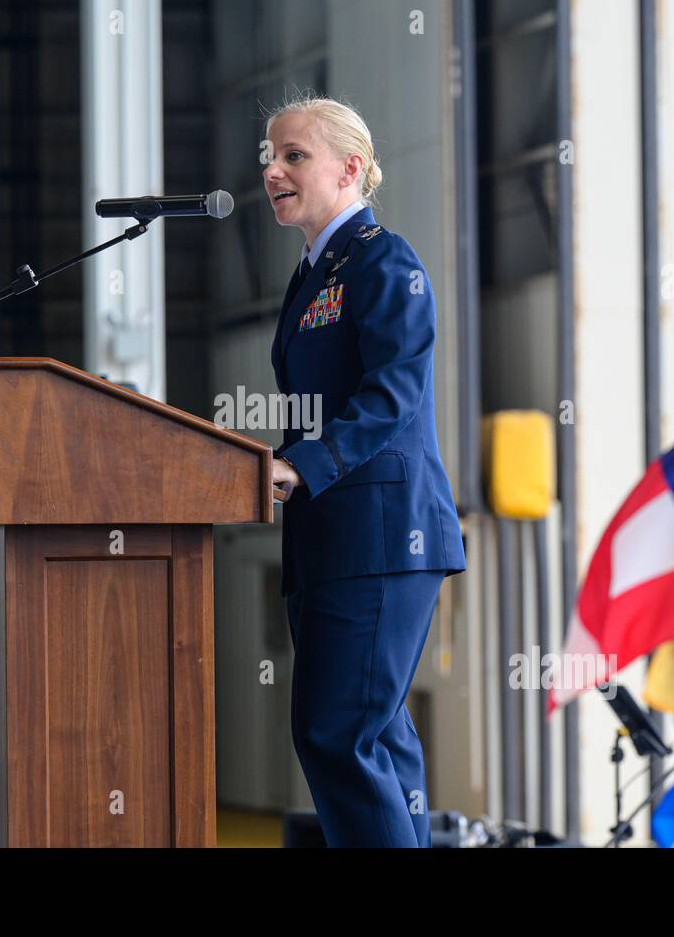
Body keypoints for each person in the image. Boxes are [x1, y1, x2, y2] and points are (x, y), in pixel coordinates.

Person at [264, 93, 466, 847]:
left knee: (337, 733)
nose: (273, 171)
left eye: (294, 155)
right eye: (269, 157)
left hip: (383, 536)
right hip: (329, 537)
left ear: (351, 168)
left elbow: (393, 394)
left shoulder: (384, 261)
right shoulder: (317, 272)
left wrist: (300, 467)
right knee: (373, 738)